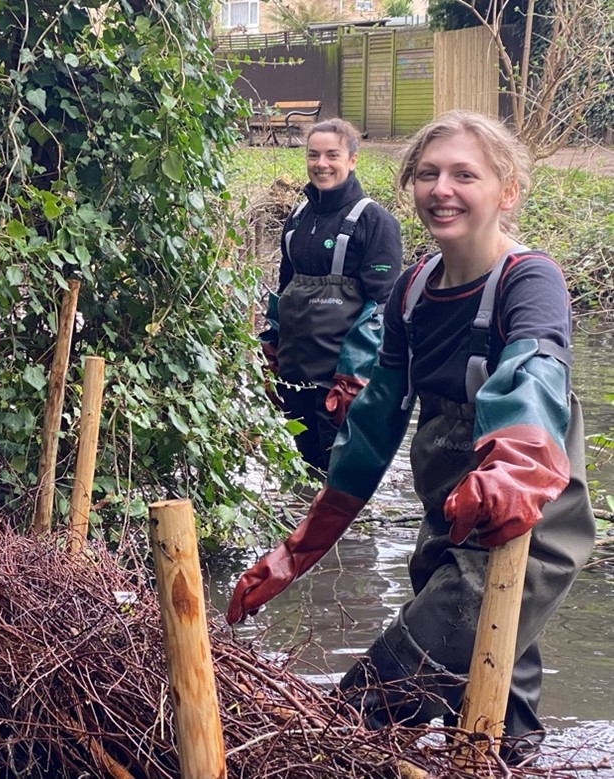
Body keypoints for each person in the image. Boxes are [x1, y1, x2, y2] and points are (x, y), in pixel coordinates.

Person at [228, 111, 595, 765]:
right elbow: (372, 426)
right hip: (447, 514)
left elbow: (533, 370)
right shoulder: (411, 292)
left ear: (506, 190)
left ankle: (314, 761)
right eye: (427, 173)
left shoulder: (528, 280)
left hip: (524, 519)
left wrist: (512, 466)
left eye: (463, 174)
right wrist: (298, 548)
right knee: (494, 712)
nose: (440, 189)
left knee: (377, 695)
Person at [260, 118, 403, 472]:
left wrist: (357, 377)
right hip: (294, 372)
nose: (321, 164)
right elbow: (284, 289)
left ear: (352, 159)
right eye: (313, 155)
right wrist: (271, 349)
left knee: (337, 473)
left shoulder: (375, 222)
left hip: (341, 382)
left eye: (331, 155)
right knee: (304, 471)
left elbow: (382, 307)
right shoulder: (297, 216)